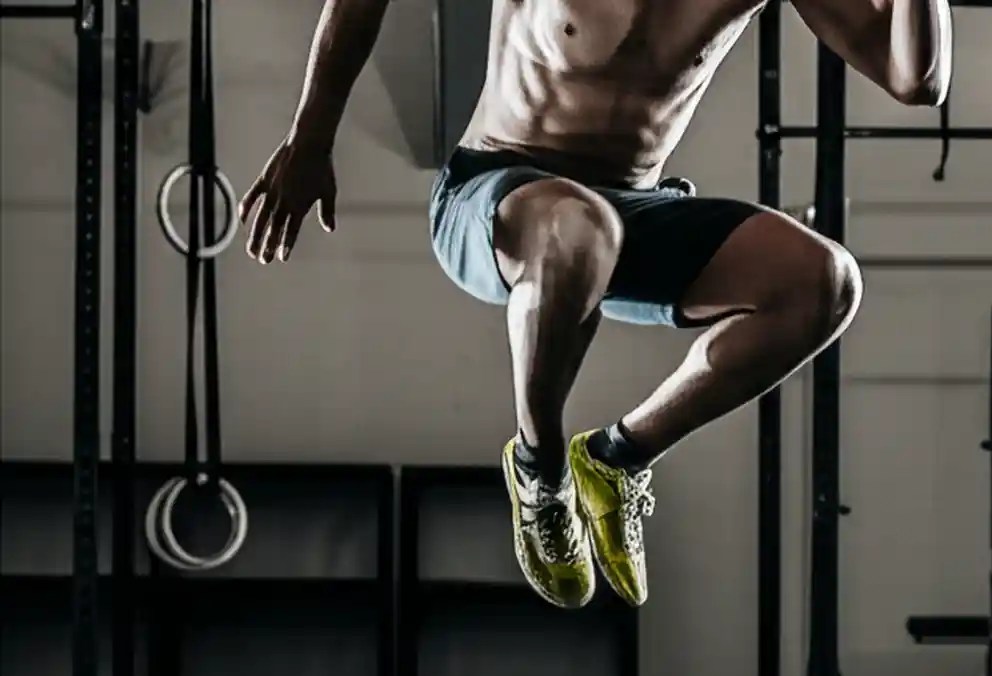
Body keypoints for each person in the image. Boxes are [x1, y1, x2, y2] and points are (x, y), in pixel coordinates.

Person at [239, 0, 952, 610]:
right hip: (496, 195)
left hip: (633, 210)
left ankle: (616, 458)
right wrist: (311, 136)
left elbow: (916, 79)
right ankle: (539, 468)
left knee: (824, 282)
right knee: (580, 228)